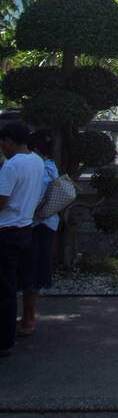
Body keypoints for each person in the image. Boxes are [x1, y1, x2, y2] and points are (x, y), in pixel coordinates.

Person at [0, 122, 44, 356]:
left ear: (7, 142)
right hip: (26, 227)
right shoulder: (37, 161)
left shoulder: (11, 166)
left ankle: (4, 340)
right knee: (13, 285)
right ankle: (14, 328)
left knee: (4, 289)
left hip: (6, 230)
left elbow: (1, 200)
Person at [17, 129, 60, 337]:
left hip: (34, 224)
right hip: (47, 224)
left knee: (30, 272)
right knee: (32, 272)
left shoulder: (40, 169)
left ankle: (28, 318)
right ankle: (27, 316)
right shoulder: (51, 167)